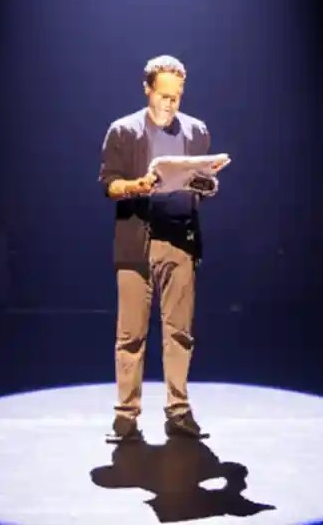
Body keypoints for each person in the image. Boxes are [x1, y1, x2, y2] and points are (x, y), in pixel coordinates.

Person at [98, 55, 226, 443]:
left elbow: (200, 187)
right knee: (131, 335)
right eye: (164, 95)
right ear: (148, 90)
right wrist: (139, 186)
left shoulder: (196, 130)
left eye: (177, 96)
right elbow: (109, 185)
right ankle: (126, 414)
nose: (171, 104)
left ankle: (178, 409)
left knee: (179, 332)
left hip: (179, 238)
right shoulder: (123, 131)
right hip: (137, 239)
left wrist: (206, 184)